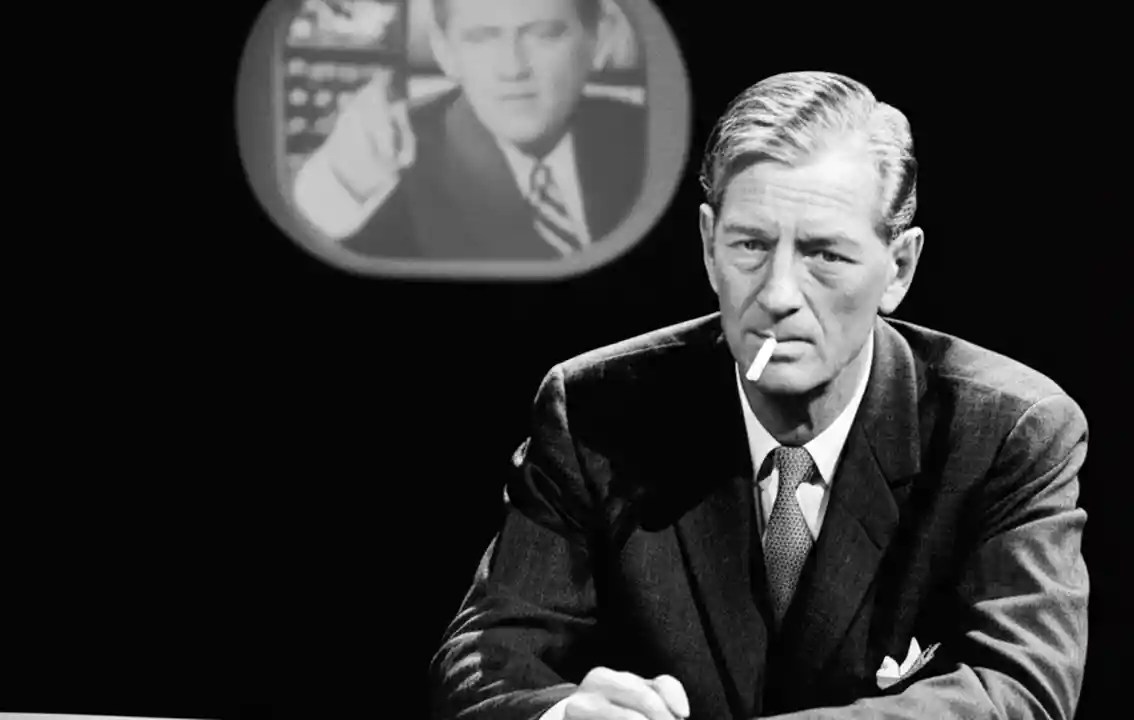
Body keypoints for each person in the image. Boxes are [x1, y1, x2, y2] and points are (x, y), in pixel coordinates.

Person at [429, 71, 1089, 720]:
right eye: (751, 245)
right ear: (708, 246)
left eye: (824, 255)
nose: (777, 295)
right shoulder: (597, 412)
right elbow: (485, 662)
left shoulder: (1004, 432)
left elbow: (1018, 691)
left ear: (899, 268)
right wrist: (566, 715)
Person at [291, 0, 646, 260]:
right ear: (443, 50)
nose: (512, 68)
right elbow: (323, 219)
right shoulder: (396, 151)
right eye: (481, 37)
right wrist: (343, 182)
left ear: (598, 38)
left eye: (544, 34)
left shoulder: (641, 133)